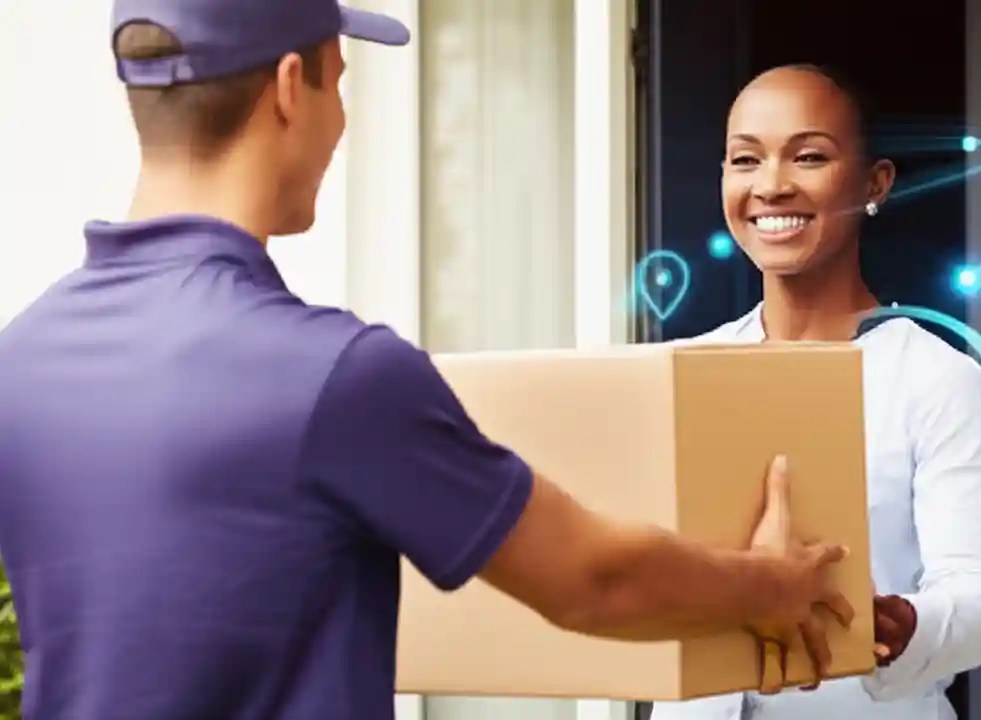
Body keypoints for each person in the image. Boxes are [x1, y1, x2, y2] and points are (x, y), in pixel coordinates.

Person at [0, 4, 855, 719]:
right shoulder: (333, 376)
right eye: (342, 82)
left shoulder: (23, 360)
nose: (342, 120)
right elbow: (592, 581)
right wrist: (766, 587)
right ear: (293, 89)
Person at [649, 64, 981, 720]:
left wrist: (905, 623)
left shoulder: (936, 379)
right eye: (745, 159)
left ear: (875, 183)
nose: (771, 186)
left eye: (809, 156)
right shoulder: (677, 371)